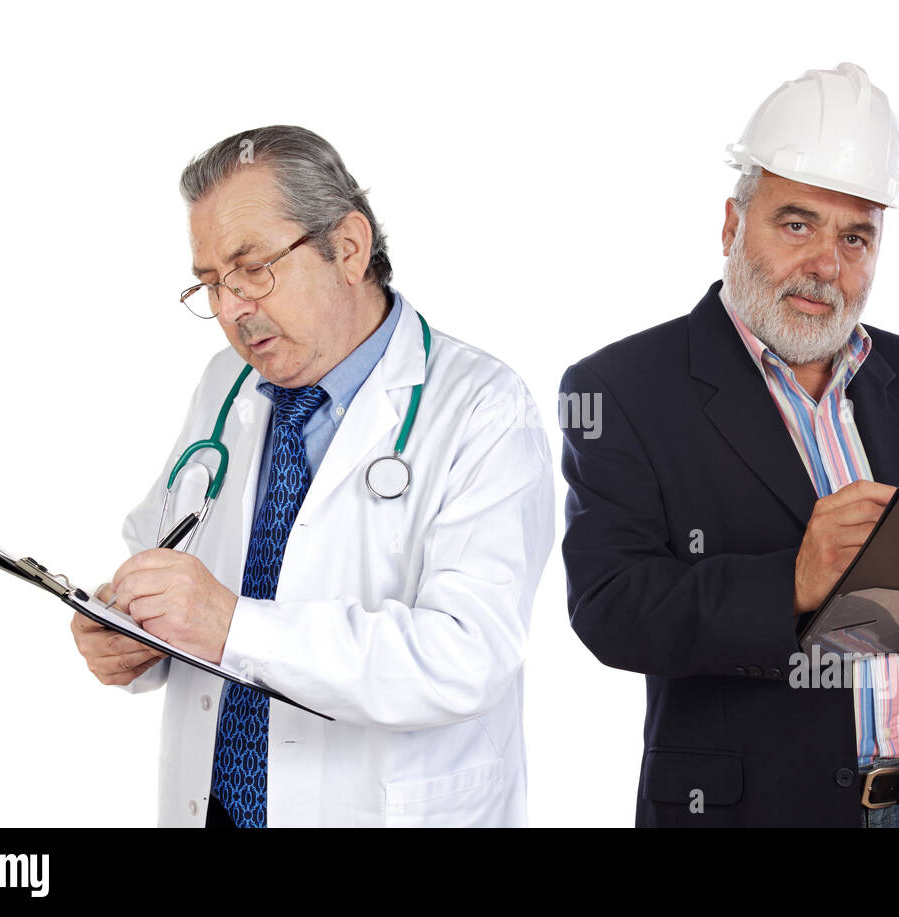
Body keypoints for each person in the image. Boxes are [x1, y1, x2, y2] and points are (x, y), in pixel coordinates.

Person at [558, 63, 899, 827]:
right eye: (797, 224)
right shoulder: (623, 388)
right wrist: (791, 579)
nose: (827, 264)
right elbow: (610, 606)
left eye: (856, 237)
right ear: (730, 224)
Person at [70, 125, 554, 827]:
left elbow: (467, 655)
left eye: (252, 266)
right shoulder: (226, 385)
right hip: (214, 807)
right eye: (210, 283)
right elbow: (164, 544)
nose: (232, 308)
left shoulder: (484, 407)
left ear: (348, 248)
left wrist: (233, 625)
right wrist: (129, 624)